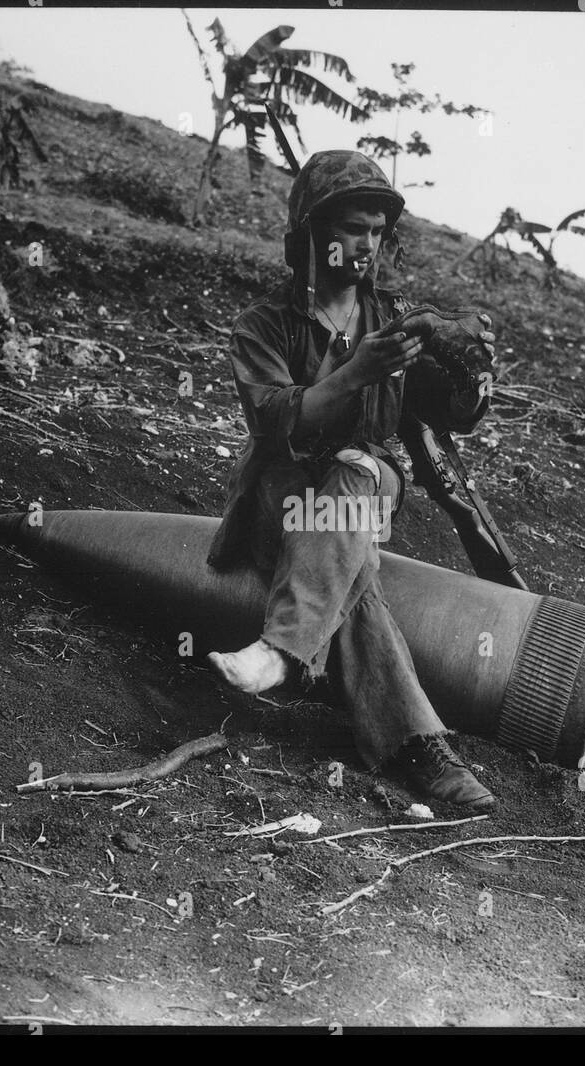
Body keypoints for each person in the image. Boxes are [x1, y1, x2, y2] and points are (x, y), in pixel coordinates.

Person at [205, 151, 497, 811]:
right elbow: (276, 419)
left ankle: (283, 648)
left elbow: (451, 410)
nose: (365, 244)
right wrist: (354, 373)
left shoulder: (391, 322)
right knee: (354, 559)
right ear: (311, 230)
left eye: (375, 230)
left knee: (356, 472)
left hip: (369, 488)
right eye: (351, 228)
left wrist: (476, 387)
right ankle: (424, 748)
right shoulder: (263, 327)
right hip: (279, 499)